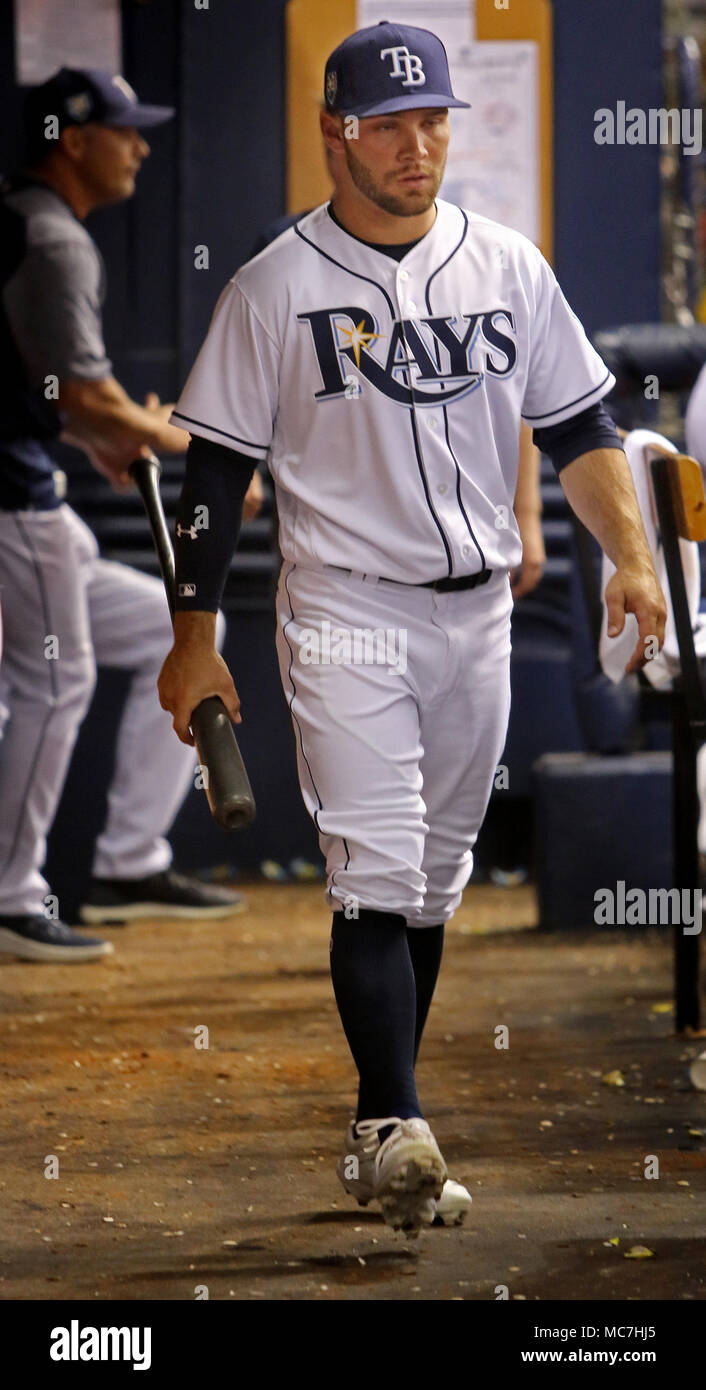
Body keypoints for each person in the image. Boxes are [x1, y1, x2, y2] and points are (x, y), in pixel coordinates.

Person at [157, 22, 666, 1232]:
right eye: (386, 122)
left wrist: (632, 558)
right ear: (335, 129)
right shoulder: (273, 287)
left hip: (477, 614)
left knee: (432, 886)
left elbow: (583, 431)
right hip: (344, 609)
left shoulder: (507, 266)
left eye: (432, 118)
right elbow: (210, 478)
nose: (415, 143)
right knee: (376, 873)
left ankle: (379, 1127)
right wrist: (193, 634)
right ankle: (395, 1116)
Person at [0, 68, 255, 964]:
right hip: (12, 502)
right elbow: (83, 389)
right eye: (123, 130)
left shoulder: (24, 220)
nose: (141, 146)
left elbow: (43, 389)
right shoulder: (54, 237)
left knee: (162, 626)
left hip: (32, 489)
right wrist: (194, 447)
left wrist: (103, 438)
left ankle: (130, 861)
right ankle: (12, 895)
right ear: (73, 141)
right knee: (53, 680)